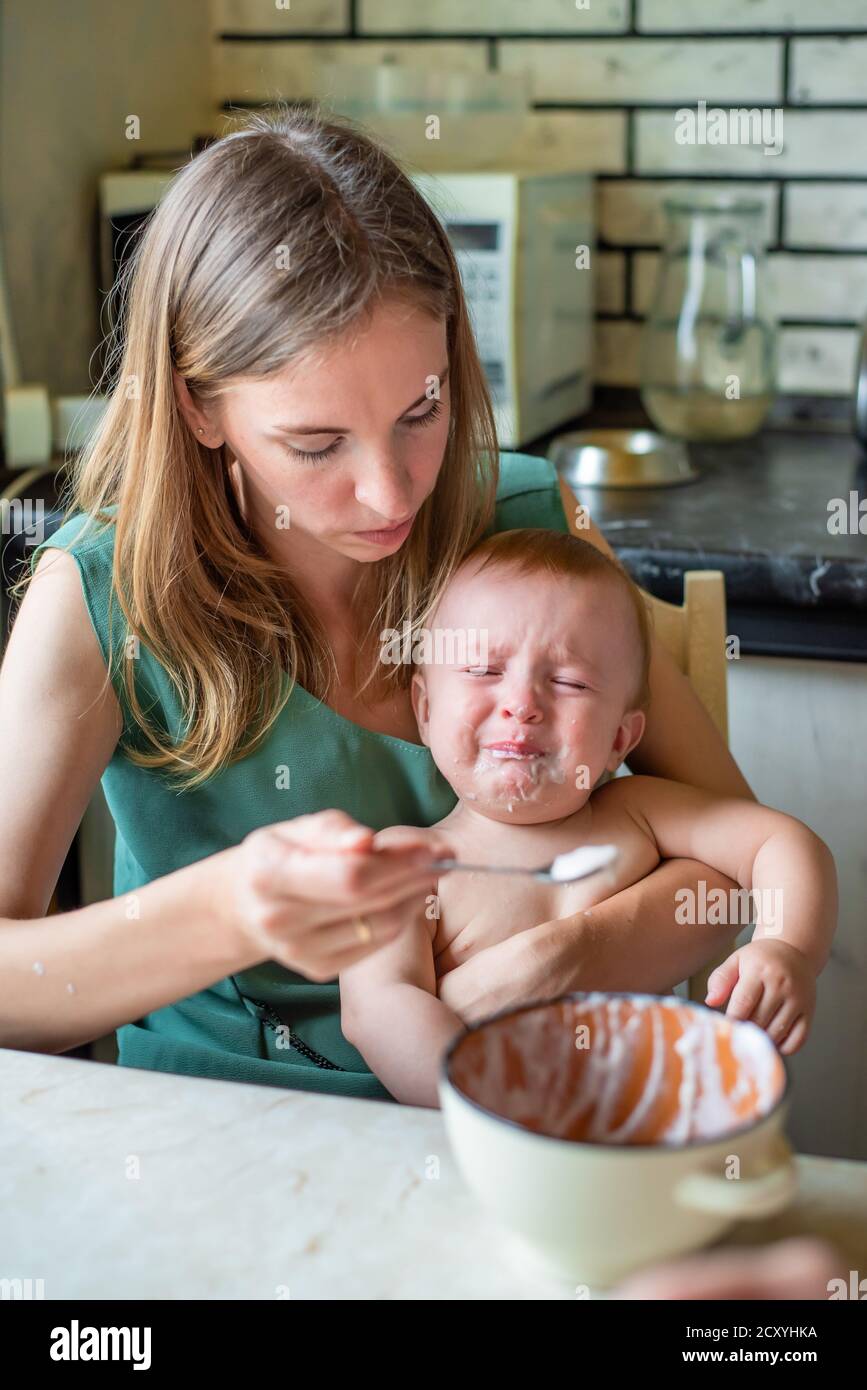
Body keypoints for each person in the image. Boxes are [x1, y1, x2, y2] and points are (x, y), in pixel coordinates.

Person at [0, 104, 754, 1099]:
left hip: (510, 1119)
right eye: (315, 445)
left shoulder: (528, 524)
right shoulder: (99, 599)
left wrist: (550, 968)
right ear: (197, 405)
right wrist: (233, 910)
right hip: (222, 1132)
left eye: (422, 411)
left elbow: (743, 867)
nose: (393, 494)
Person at [339, 529, 837, 1106]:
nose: (522, 704)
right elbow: (380, 1007)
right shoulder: (403, 863)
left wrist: (789, 948)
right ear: (425, 710)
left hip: (652, 1130)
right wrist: (493, 1110)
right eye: (482, 671)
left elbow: (780, 841)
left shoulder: (639, 813)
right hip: (494, 1140)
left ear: (619, 739)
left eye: (569, 682)